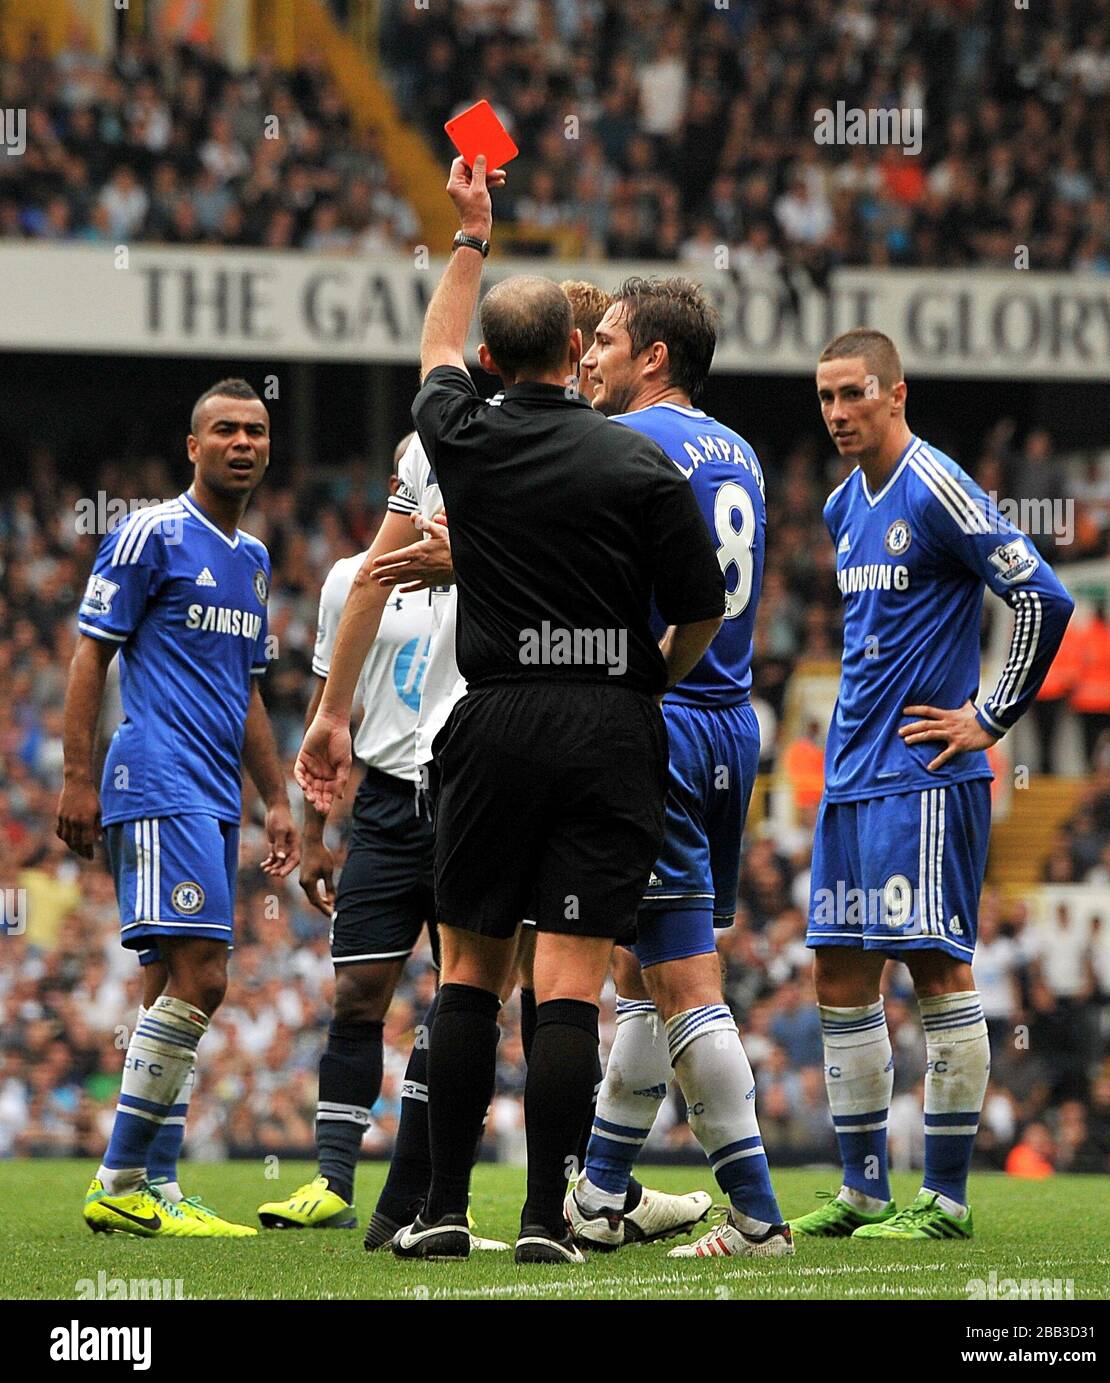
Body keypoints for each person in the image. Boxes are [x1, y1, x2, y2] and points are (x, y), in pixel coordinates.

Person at [298, 156, 727, 1263]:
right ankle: (547, 1220)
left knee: (467, 977)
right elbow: (702, 609)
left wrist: (472, 234)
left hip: (491, 722)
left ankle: (443, 1210)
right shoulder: (640, 466)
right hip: (607, 723)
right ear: (579, 355)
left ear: (498, 360)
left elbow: (436, 350)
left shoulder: (465, 437)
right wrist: (649, 681)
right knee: (571, 987)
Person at [794, 329, 1073, 1240]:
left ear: (896, 393)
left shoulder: (938, 484)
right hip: (849, 773)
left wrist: (988, 717)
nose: (838, 413)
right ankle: (864, 1188)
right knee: (839, 971)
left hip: (925, 774)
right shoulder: (842, 507)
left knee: (935, 966)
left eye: (853, 395)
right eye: (826, 397)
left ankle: (946, 1198)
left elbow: (1043, 595)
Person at [563, 277, 792, 1259]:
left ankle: (756, 1216)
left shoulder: (629, 446)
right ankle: (603, 1188)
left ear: (654, 357)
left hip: (659, 718)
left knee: (685, 977)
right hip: (731, 724)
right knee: (652, 965)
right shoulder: (738, 450)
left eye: (606, 342)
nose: (590, 358)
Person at [58, 378, 300, 1237]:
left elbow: (248, 691)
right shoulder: (150, 533)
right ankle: (122, 1177)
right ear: (193, 445)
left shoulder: (255, 558)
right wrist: (77, 776)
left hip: (213, 793)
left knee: (168, 983)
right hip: (158, 778)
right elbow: (91, 658)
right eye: (226, 430)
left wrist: (276, 797)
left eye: (257, 431)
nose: (243, 443)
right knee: (203, 978)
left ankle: (151, 1188)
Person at [255, 435, 441, 1231]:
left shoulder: (502, 557)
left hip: (476, 800)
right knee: (358, 992)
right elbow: (326, 715)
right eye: (407, 471)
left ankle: (440, 1185)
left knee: (470, 993)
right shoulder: (348, 581)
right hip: (388, 807)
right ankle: (332, 1183)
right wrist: (315, 830)